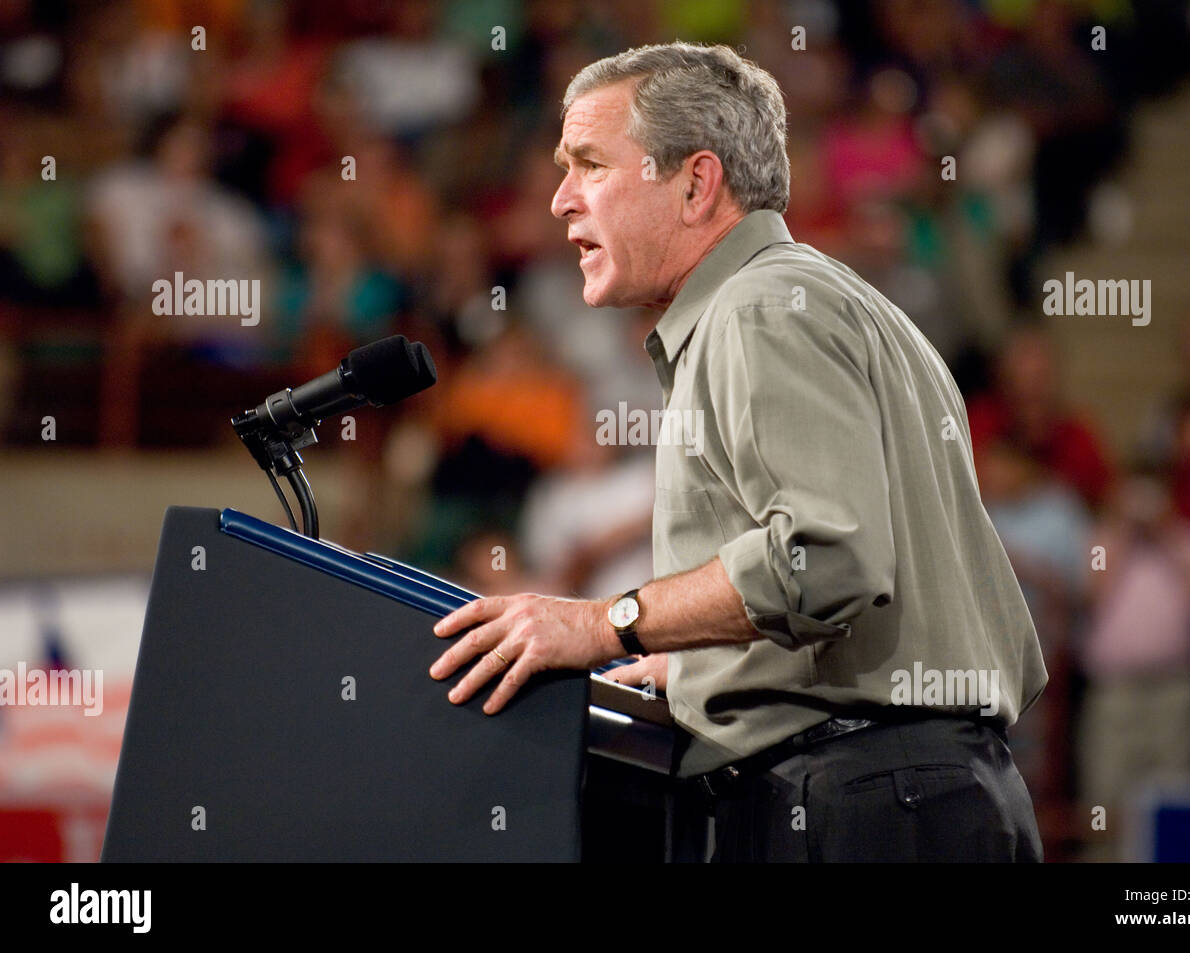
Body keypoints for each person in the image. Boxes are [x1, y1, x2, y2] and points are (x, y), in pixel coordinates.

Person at [429, 42, 1047, 862]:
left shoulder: (760, 311)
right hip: (913, 791)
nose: (559, 200)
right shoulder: (823, 300)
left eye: (589, 165)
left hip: (856, 803)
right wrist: (702, 667)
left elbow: (826, 558)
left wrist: (609, 624)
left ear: (695, 182)